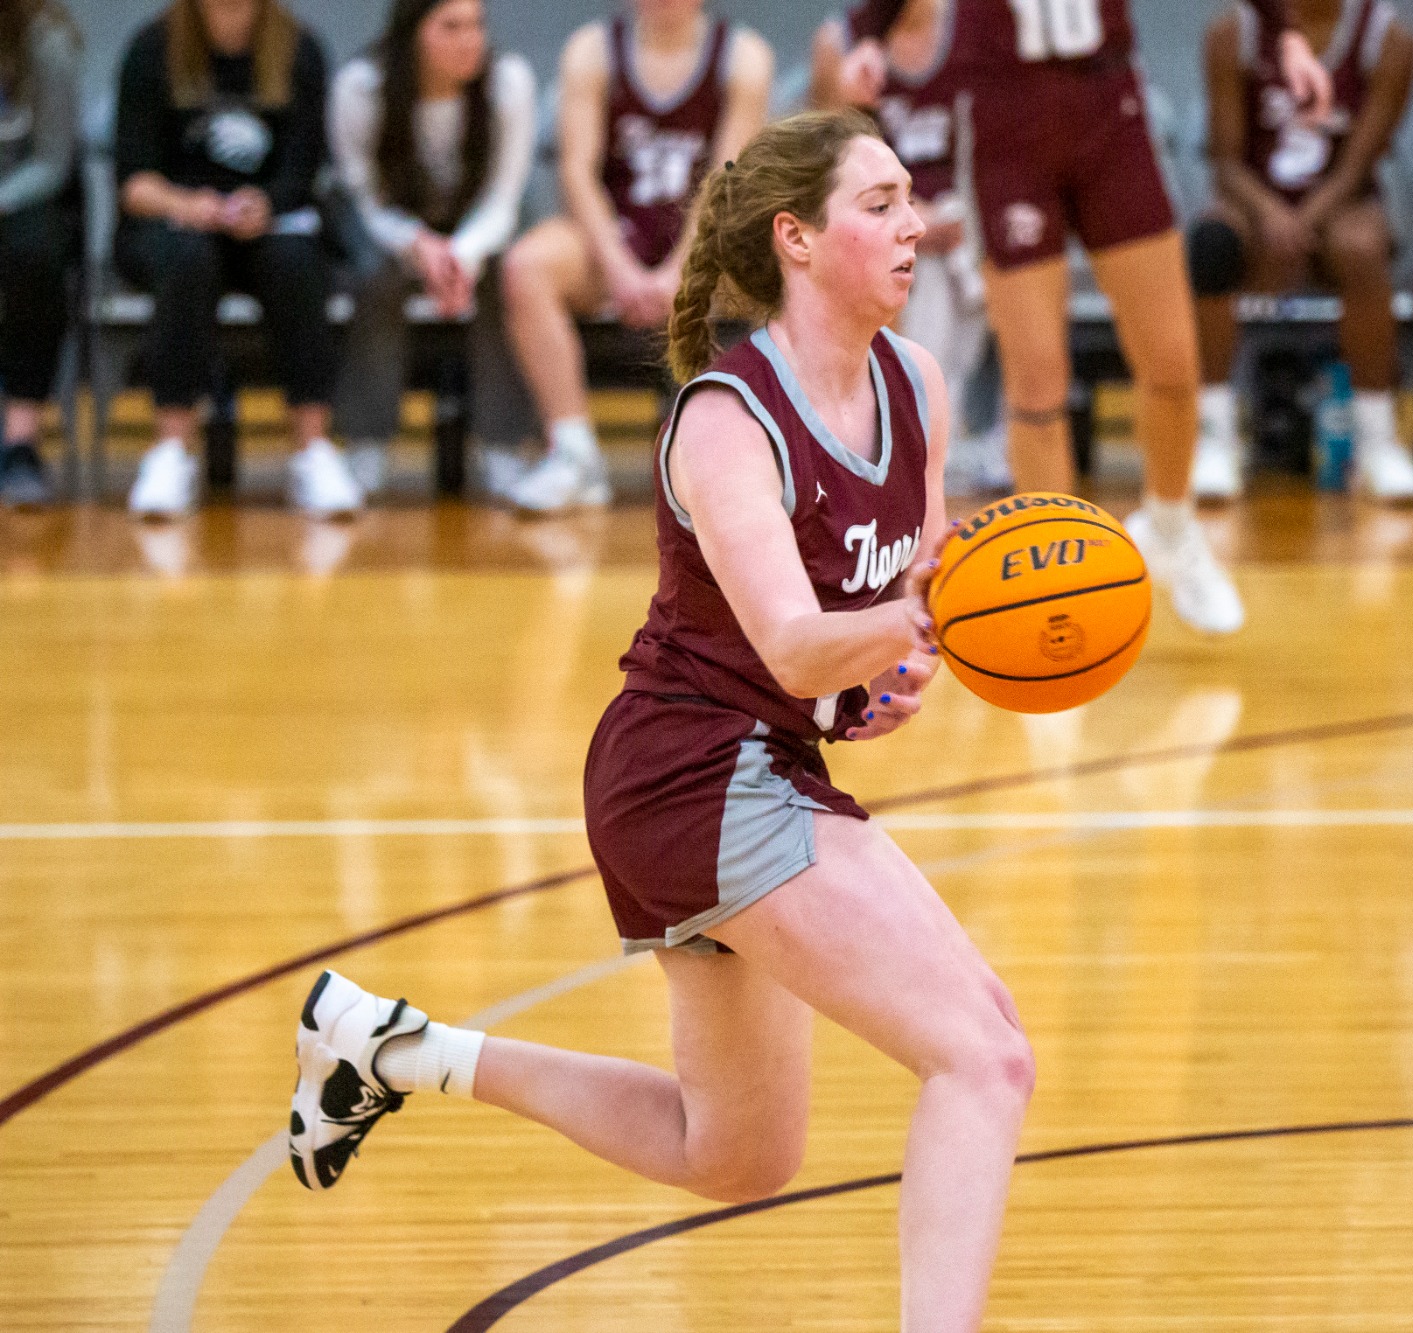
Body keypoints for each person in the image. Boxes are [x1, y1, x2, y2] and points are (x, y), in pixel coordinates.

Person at [290, 110, 1034, 1332]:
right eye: (883, 204)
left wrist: (891, 678)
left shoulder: (917, 383)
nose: (915, 227)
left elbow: (879, 611)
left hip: (765, 759)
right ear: (796, 239)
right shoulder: (726, 419)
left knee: (733, 1154)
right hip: (690, 772)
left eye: (913, 201)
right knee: (985, 1055)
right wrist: (924, 627)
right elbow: (798, 637)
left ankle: (388, 1048)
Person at [838, 0, 1333, 634]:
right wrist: (868, 35)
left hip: (1110, 108)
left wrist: (1283, 36)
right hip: (1005, 118)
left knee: (1172, 361)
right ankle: (1059, 578)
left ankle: (1172, 527)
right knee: (1037, 382)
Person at [498, 0, 771, 514]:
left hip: (706, 241)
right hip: (615, 236)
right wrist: (622, 269)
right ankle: (574, 453)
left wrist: (681, 272)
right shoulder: (591, 50)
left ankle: (781, 452)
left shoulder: (743, 56)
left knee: (795, 265)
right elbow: (577, 172)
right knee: (526, 266)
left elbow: (725, 179)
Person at [115, 0, 351, 520]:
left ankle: (312, 449)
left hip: (266, 224)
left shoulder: (299, 49)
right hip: (173, 224)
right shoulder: (153, 48)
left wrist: (264, 205)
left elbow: (307, 170)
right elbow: (133, 183)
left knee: (295, 259)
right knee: (188, 259)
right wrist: (187, 205)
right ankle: (172, 450)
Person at [1192, 0, 1413, 502]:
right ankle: (1214, 437)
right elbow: (1226, 160)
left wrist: (1304, 220)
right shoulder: (1234, 33)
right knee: (1210, 247)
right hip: (1253, 201)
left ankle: (1377, 442)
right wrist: (1271, 215)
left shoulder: (1387, 39)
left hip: (1342, 201)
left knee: (1362, 249)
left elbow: (1362, 161)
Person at [328, 0, 536, 497]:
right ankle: (365, 443)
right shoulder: (362, 86)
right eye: (451, 27)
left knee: (511, 274)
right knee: (375, 277)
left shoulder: (509, 81)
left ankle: (504, 446)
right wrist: (416, 245)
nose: (470, 40)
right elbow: (362, 196)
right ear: (413, 31)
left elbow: (505, 197)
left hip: (476, 224)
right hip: (385, 223)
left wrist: (460, 255)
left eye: (477, 25)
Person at [811, 0, 1012, 496]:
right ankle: (901, 434)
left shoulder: (981, 27)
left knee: (1014, 242)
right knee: (888, 250)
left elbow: (1011, 146)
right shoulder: (839, 42)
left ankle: (975, 428)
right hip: (881, 214)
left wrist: (957, 212)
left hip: (970, 211)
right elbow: (818, 164)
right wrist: (906, 208)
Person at [0, 0, 78, 510]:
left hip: (25, 196)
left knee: (35, 260)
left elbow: (53, 160)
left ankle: (21, 440)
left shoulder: (46, 42)